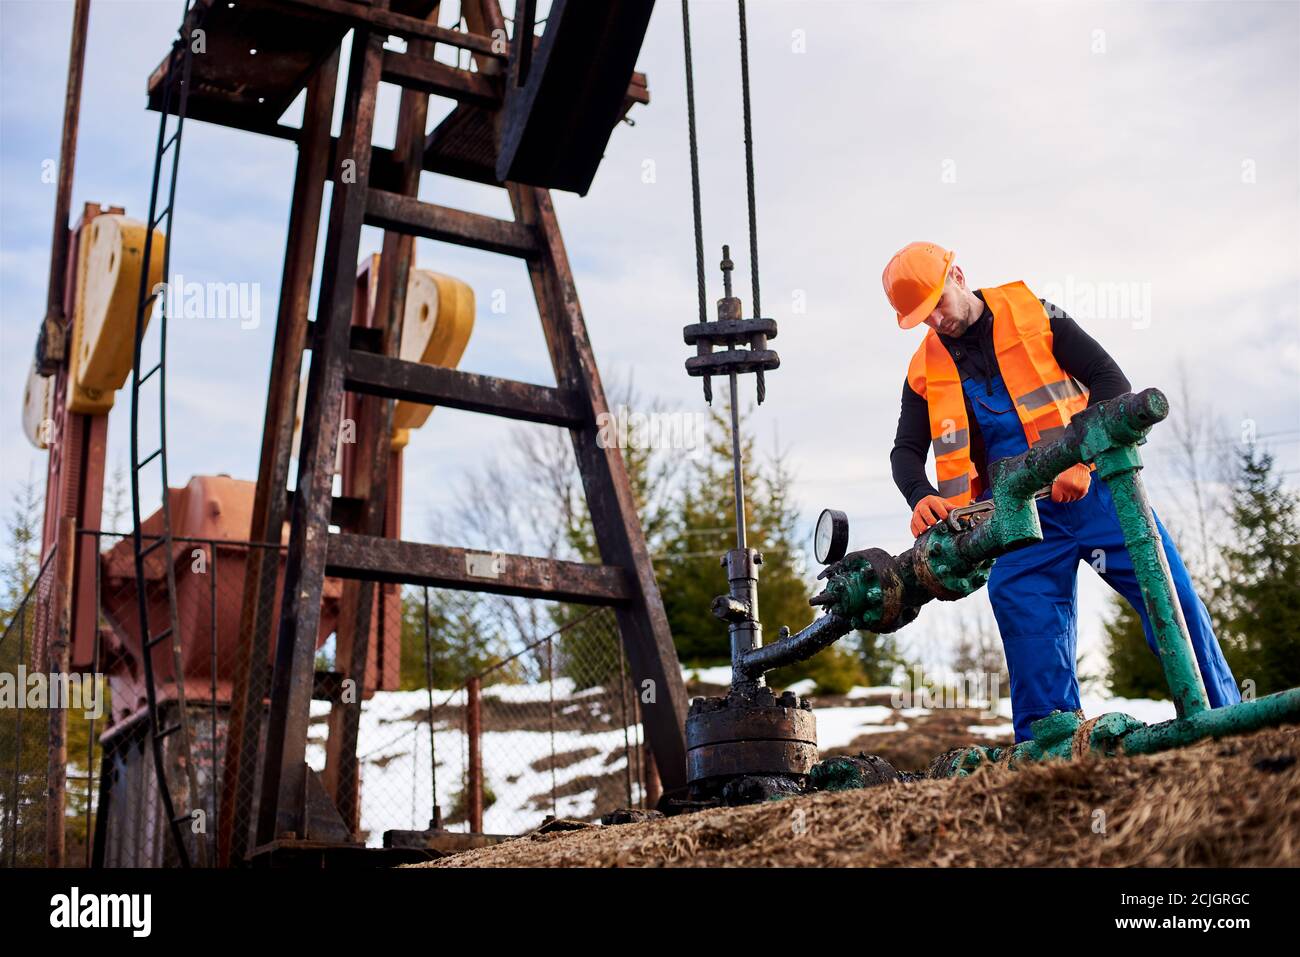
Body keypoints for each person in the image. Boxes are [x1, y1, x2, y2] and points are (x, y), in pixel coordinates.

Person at [884, 241, 1240, 741]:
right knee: (1032, 640)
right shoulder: (922, 370)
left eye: (938, 303)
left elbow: (1109, 379)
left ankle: (1226, 725)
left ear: (958, 275)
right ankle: (1051, 757)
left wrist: (1081, 456)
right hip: (1013, 521)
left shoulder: (1035, 312)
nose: (937, 321)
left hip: (1099, 496)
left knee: (1172, 600)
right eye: (923, 317)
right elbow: (904, 452)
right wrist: (920, 495)